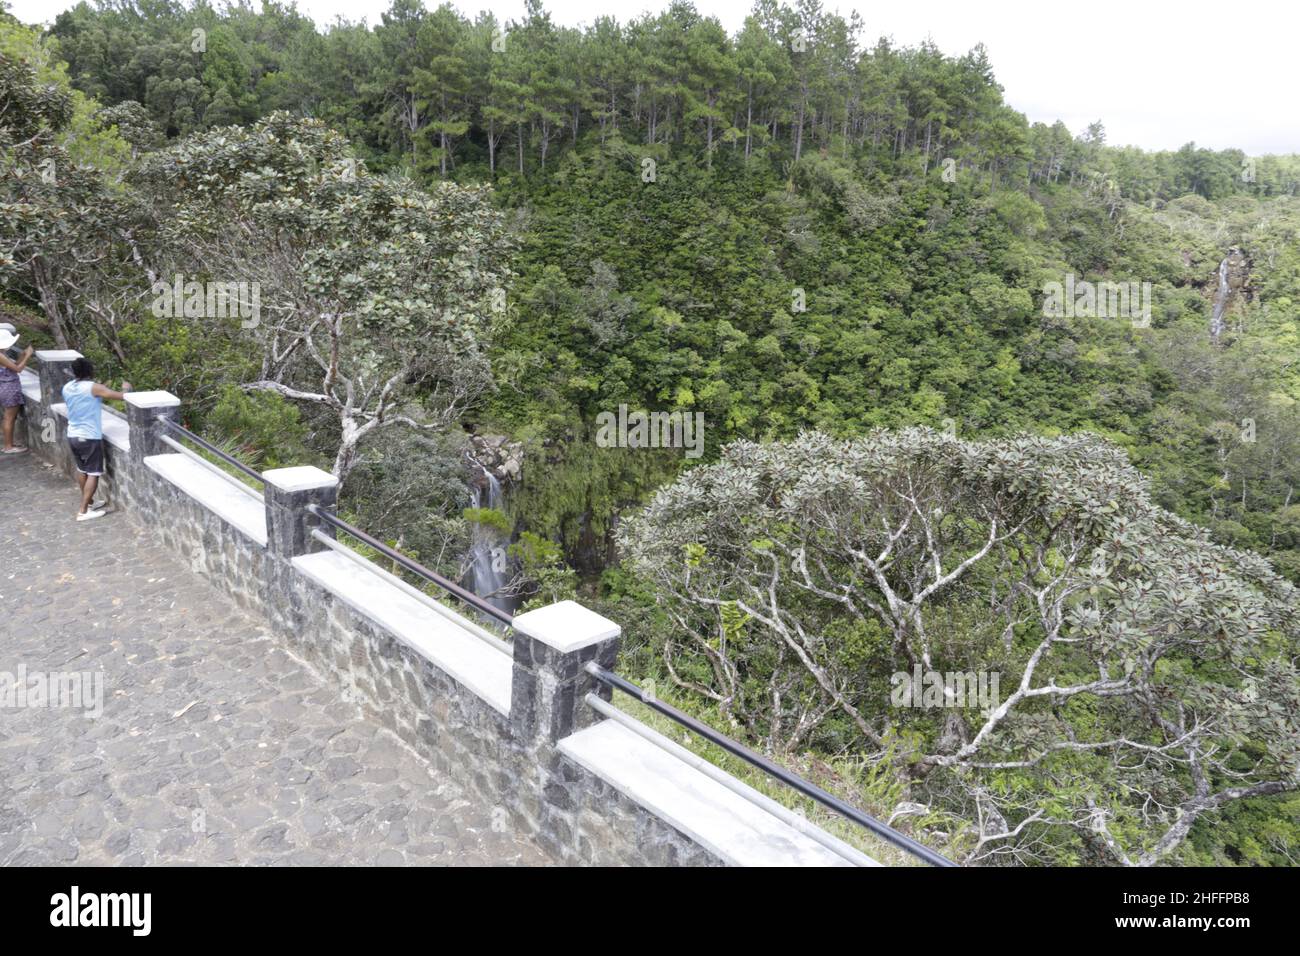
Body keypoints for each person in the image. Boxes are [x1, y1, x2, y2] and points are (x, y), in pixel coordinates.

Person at [63, 357, 131, 521]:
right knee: (94, 473)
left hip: (73, 434)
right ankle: (83, 510)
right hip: (89, 437)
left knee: (82, 469)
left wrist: (100, 386)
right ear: (90, 371)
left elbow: (89, 394)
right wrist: (127, 389)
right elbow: (121, 396)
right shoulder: (94, 387)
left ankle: (90, 502)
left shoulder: (67, 387)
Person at [0, 325, 34, 454]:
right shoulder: (0, 355)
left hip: (6, 386)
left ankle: (9, 444)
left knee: (8, 417)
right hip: (8, 387)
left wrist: (23, 355)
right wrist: (28, 356)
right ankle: (8, 446)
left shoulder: (2, 354)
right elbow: (18, 369)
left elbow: (13, 366)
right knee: (9, 417)